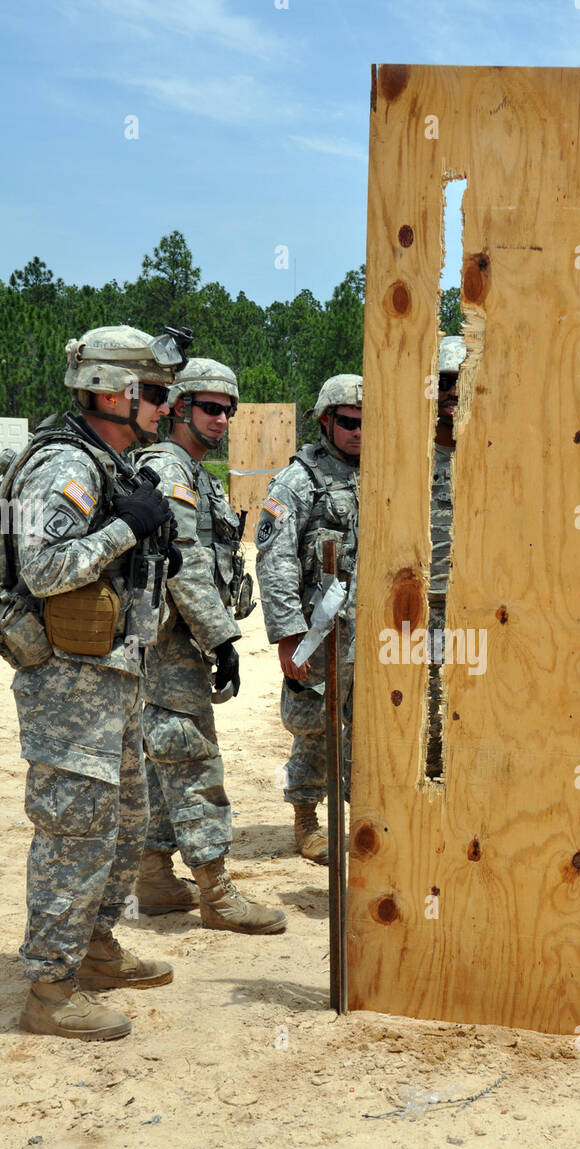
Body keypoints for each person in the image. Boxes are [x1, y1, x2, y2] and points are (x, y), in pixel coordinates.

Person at [2, 325, 186, 1040]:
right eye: (157, 393)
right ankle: (49, 988)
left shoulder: (112, 464)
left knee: (122, 826)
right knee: (74, 835)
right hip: (69, 689)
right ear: (116, 392)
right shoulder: (66, 469)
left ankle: (97, 945)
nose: (166, 408)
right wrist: (126, 530)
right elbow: (44, 570)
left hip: (113, 681)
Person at [133, 358, 285, 933]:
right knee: (192, 756)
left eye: (229, 409)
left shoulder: (197, 473)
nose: (221, 419)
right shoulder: (167, 470)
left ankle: (152, 879)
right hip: (172, 642)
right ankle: (218, 894)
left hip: (181, 640)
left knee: (163, 759)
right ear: (178, 407)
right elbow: (184, 567)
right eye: (209, 407)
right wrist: (222, 638)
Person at [255, 375, 360, 864]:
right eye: (348, 423)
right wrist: (289, 634)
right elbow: (275, 559)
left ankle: (365, 817)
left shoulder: (389, 472)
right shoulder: (300, 480)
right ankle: (306, 820)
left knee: (374, 728)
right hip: (321, 635)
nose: (359, 432)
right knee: (315, 728)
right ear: (325, 421)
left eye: (367, 423)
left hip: (377, 632)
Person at [426, 335, 466, 779]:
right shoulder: (407, 458)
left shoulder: (497, 455)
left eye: (463, 380)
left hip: (482, 609)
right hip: (426, 608)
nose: (453, 391)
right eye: (445, 381)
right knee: (428, 722)